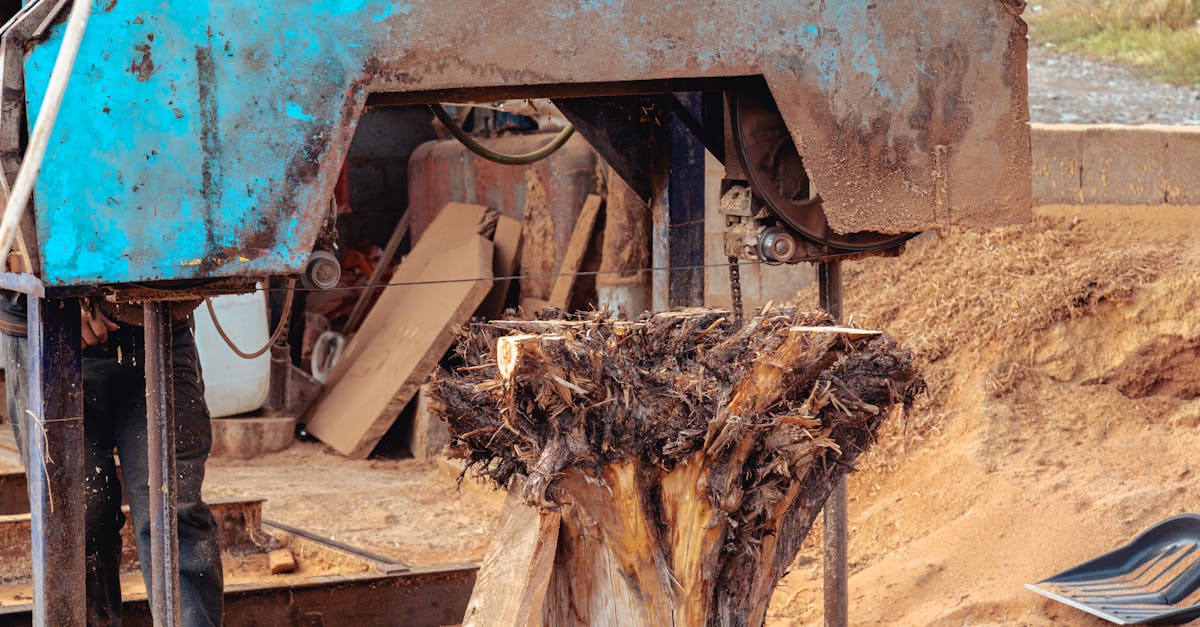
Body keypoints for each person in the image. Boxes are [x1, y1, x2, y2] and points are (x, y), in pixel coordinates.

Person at [0, 293, 224, 626]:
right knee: (75, 520)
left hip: (155, 326)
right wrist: (60, 301)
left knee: (173, 513)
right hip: (43, 337)